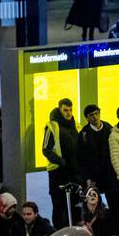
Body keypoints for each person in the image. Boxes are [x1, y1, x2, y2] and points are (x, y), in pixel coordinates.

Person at [42, 98, 79, 229]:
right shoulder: (52, 125)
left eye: (70, 110)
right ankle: (59, 232)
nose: (68, 113)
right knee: (59, 205)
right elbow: (45, 149)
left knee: (75, 204)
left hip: (74, 172)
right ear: (60, 110)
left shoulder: (76, 125)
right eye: (65, 110)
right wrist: (60, 161)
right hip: (58, 172)